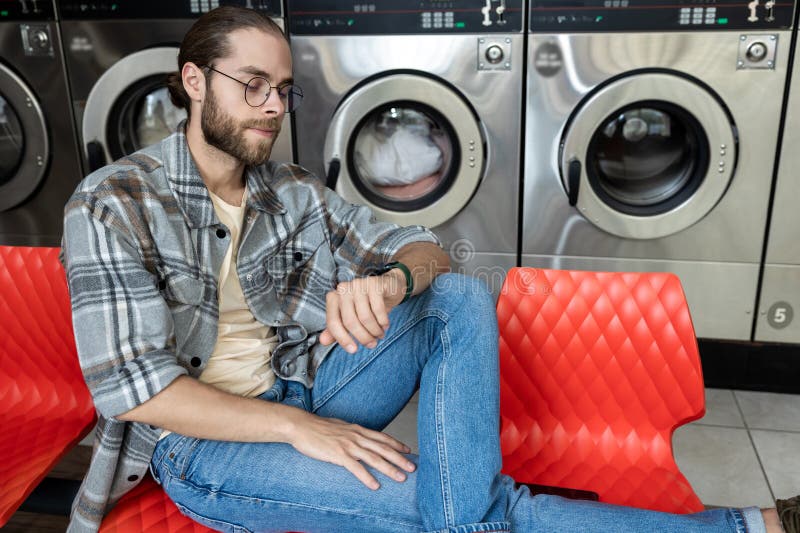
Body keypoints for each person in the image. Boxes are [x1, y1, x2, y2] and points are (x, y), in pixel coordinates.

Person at [61, 6, 799, 533]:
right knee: (464, 506)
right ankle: (751, 525)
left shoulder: (287, 190)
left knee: (454, 294)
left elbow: (427, 241)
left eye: (285, 90)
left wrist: (390, 281)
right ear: (193, 81)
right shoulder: (112, 203)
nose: (273, 106)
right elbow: (136, 390)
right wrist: (295, 429)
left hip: (306, 389)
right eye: (251, 84)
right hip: (204, 450)